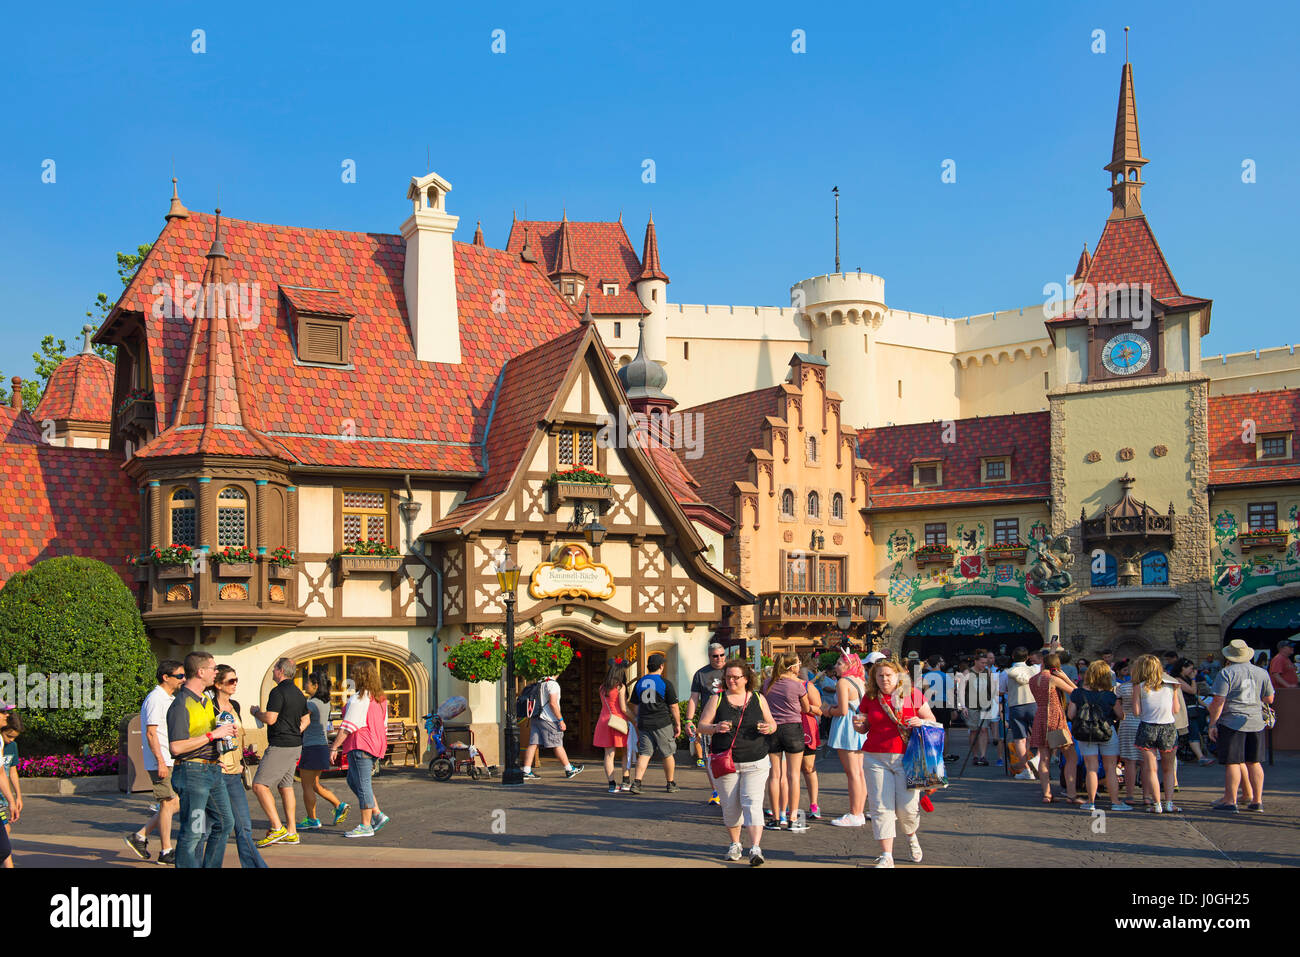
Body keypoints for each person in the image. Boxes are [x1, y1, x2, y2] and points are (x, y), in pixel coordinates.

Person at [853, 657, 937, 868]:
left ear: (898, 676)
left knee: (907, 809)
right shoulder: (870, 697)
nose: (884, 679)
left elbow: (933, 721)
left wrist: (922, 721)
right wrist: (858, 725)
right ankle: (886, 855)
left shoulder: (912, 694)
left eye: (888, 675)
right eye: (879, 676)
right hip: (875, 756)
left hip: (906, 758)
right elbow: (863, 727)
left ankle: (911, 836)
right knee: (881, 807)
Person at [699, 657, 777, 865]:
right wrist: (715, 728)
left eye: (736, 677)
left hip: (756, 760)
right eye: (728, 677)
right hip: (726, 761)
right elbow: (702, 725)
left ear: (746, 678)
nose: (731, 681)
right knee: (731, 806)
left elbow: (772, 724)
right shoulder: (717, 699)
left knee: (753, 803)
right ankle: (735, 844)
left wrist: (768, 728)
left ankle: (755, 848)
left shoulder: (758, 698)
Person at [166, 652, 238, 868]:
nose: (216, 672)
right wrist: (212, 736)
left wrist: (218, 745)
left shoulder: (205, 700)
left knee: (225, 823)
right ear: (200, 672)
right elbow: (176, 747)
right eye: (213, 668)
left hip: (211, 770)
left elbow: (206, 736)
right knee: (194, 831)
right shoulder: (181, 704)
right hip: (192, 773)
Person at [202, 665, 267, 868]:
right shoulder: (208, 707)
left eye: (236, 680)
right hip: (215, 773)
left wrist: (240, 763)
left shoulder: (235, 706)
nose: (235, 684)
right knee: (209, 829)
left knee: (244, 827)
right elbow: (203, 738)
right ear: (218, 684)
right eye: (231, 681)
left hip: (233, 774)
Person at [124, 659, 184, 864]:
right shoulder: (156, 698)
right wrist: (160, 761)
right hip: (161, 760)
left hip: (169, 758)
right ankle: (166, 851)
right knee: (169, 803)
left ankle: (140, 836)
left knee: (175, 803)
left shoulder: (168, 698)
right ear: (166, 677)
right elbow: (151, 733)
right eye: (179, 676)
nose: (182, 680)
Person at [1208, 639, 1276, 813]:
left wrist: (1212, 723)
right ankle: (1257, 801)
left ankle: (1230, 802)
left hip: (1232, 722)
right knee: (1254, 762)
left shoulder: (1226, 673)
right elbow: (1269, 699)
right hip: (1255, 721)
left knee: (1233, 762)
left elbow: (1218, 701)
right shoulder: (1261, 672)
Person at [250, 657, 310, 848]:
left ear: (280, 671)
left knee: (259, 785)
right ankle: (292, 831)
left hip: (281, 744)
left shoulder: (277, 692)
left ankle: (277, 828)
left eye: (275, 668)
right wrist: (294, 731)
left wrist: (256, 713)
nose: (273, 671)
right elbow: (306, 720)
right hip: (295, 743)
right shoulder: (299, 693)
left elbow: (271, 718)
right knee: (285, 786)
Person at [329, 660, 392, 837]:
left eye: (354, 674)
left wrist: (334, 747)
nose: (352, 677)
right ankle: (377, 814)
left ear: (360, 677)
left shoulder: (359, 699)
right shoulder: (380, 698)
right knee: (353, 780)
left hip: (361, 744)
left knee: (363, 785)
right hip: (375, 743)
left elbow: (347, 727)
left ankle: (366, 825)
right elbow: (383, 724)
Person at [1068, 661, 1129, 811]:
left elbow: (1070, 715)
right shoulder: (1109, 695)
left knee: (1091, 769)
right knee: (1110, 768)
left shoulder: (1077, 693)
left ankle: (1091, 801)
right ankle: (1115, 802)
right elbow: (1121, 715)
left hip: (1085, 734)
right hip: (1107, 732)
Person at [761, 654, 809, 830]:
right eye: (798, 663)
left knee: (775, 775)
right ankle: (792, 817)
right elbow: (805, 707)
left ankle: (775, 817)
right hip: (792, 728)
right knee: (793, 775)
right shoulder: (797, 685)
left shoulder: (767, 684)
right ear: (792, 667)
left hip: (772, 728)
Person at [1132, 654, 1181, 813]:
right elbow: (1176, 709)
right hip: (1167, 727)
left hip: (1147, 727)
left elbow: (1136, 711)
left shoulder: (1139, 686)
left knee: (1151, 769)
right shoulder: (1171, 685)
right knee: (1168, 769)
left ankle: (1157, 804)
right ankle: (1168, 802)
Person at [298, 670, 347, 828]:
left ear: (315, 685)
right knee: (315, 784)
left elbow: (301, 720)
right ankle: (339, 805)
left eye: (308, 682)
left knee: (306, 785)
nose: (305, 684)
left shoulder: (311, 703)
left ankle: (312, 819)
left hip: (311, 747)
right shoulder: (325, 702)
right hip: (321, 746)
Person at [1028, 652, 1078, 803]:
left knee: (1044, 758)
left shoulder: (1033, 679)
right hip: (1055, 716)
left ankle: (1047, 794)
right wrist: (1065, 677)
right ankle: (1071, 794)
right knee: (1071, 757)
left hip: (1040, 716)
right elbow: (1076, 692)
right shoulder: (1052, 679)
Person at [629, 653, 680, 793]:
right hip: (662, 722)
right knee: (667, 753)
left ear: (648, 666)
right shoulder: (665, 683)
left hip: (645, 723)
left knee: (644, 753)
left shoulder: (639, 682)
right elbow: (674, 706)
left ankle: (637, 783)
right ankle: (670, 783)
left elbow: (634, 705)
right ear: (661, 666)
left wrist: (639, 717)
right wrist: (678, 724)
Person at [828, 652, 869, 827]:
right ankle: (858, 811)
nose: (836, 666)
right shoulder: (861, 681)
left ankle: (855, 813)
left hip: (847, 726)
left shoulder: (843, 682)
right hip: (859, 724)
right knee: (860, 772)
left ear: (848, 665)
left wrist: (827, 710)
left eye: (839, 663)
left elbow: (842, 710)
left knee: (852, 773)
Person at [521, 672, 584, 781]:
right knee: (557, 744)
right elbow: (553, 703)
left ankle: (526, 770)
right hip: (549, 719)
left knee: (533, 744)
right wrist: (561, 720)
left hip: (536, 717)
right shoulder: (553, 684)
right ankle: (569, 769)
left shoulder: (540, 682)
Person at [685, 643, 728, 805]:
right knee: (710, 757)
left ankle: (730, 789)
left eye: (722, 655)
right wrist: (689, 720)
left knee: (731, 756)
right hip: (709, 723)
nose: (719, 659)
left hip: (730, 720)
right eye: (715, 656)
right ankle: (716, 790)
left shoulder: (732, 671)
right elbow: (694, 698)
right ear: (709, 656)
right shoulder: (700, 674)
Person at [594, 659, 633, 793]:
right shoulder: (620, 687)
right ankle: (626, 781)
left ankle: (611, 784)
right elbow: (623, 708)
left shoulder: (602, 687)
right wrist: (635, 719)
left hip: (604, 720)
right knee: (625, 752)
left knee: (609, 754)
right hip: (619, 722)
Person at [1004, 647, 1040, 779]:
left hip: (1016, 705)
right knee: (1039, 734)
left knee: (1020, 739)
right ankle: (1038, 759)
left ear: (1013, 657)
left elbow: (1002, 689)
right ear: (1027, 658)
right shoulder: (1034, 669)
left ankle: (1026, 770)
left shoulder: (1007, 672)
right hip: (1033, 704)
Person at [1172, 658, 1214, 766]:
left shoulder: (1187, 679)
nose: (1192, 671)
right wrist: (1194, 679)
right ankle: (1200, 757)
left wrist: (1207, 706)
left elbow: (1196, 696)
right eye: (1190, 669)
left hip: (1193, 708)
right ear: (1183, 668)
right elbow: (1192, 691)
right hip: (1185, 710)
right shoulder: (1178, 679)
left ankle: (1197, 755)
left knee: (1193, 731)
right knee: (1192, 731)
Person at [1114, 660, 1143, 806]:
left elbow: (1119, 713)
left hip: (1128, 724)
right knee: (1146, 763)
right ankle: (1148, 796)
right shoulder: (1151, 688)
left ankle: (1130, 795)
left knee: (1130, 762)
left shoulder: (1123, 688)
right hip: (1146, 723)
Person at [961, 655, 995, 766]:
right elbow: (961, 690)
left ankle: (983, 755)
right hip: (971, 706)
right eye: (982, 663)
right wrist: (963, 706)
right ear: (975, 661)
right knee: (974, 730)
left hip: (985, 705)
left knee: (984, 729)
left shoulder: (988, 672)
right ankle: (975, 755)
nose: (984, 665)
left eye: (986, 663)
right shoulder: (968, 672)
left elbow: (992, 688)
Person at [798, 667, 823, 821]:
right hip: (785, 729)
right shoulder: (776, 684)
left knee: (808, 767)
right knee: (786, 770)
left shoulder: (807, 686)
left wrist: (805, 707)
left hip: (806, 727)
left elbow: (819, 709)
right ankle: (784, 804)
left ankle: (814, 804)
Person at [0, 712, 23, 868]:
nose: (11, 740)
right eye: (9, 736)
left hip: (3, 796)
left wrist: (16, 797)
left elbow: (9, 771)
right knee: (5, 834)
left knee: (4, 843)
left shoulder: (10, 746)